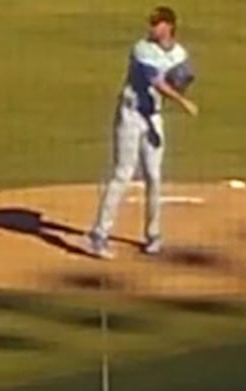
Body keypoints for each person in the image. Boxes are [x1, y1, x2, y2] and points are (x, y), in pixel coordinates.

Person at [84, 6, 199, 260]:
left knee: (154, 177)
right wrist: (182, 101)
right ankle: (98, 235)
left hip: (153, 117)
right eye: (152, 23)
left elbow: (186, 75)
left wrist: (183, 82)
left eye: (157, 24)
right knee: (123, 173)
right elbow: (156, 83)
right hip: (130, 115)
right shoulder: (142, 49)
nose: (152, 28)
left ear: (169, 26)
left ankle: (153, 235)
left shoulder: (179, 54)